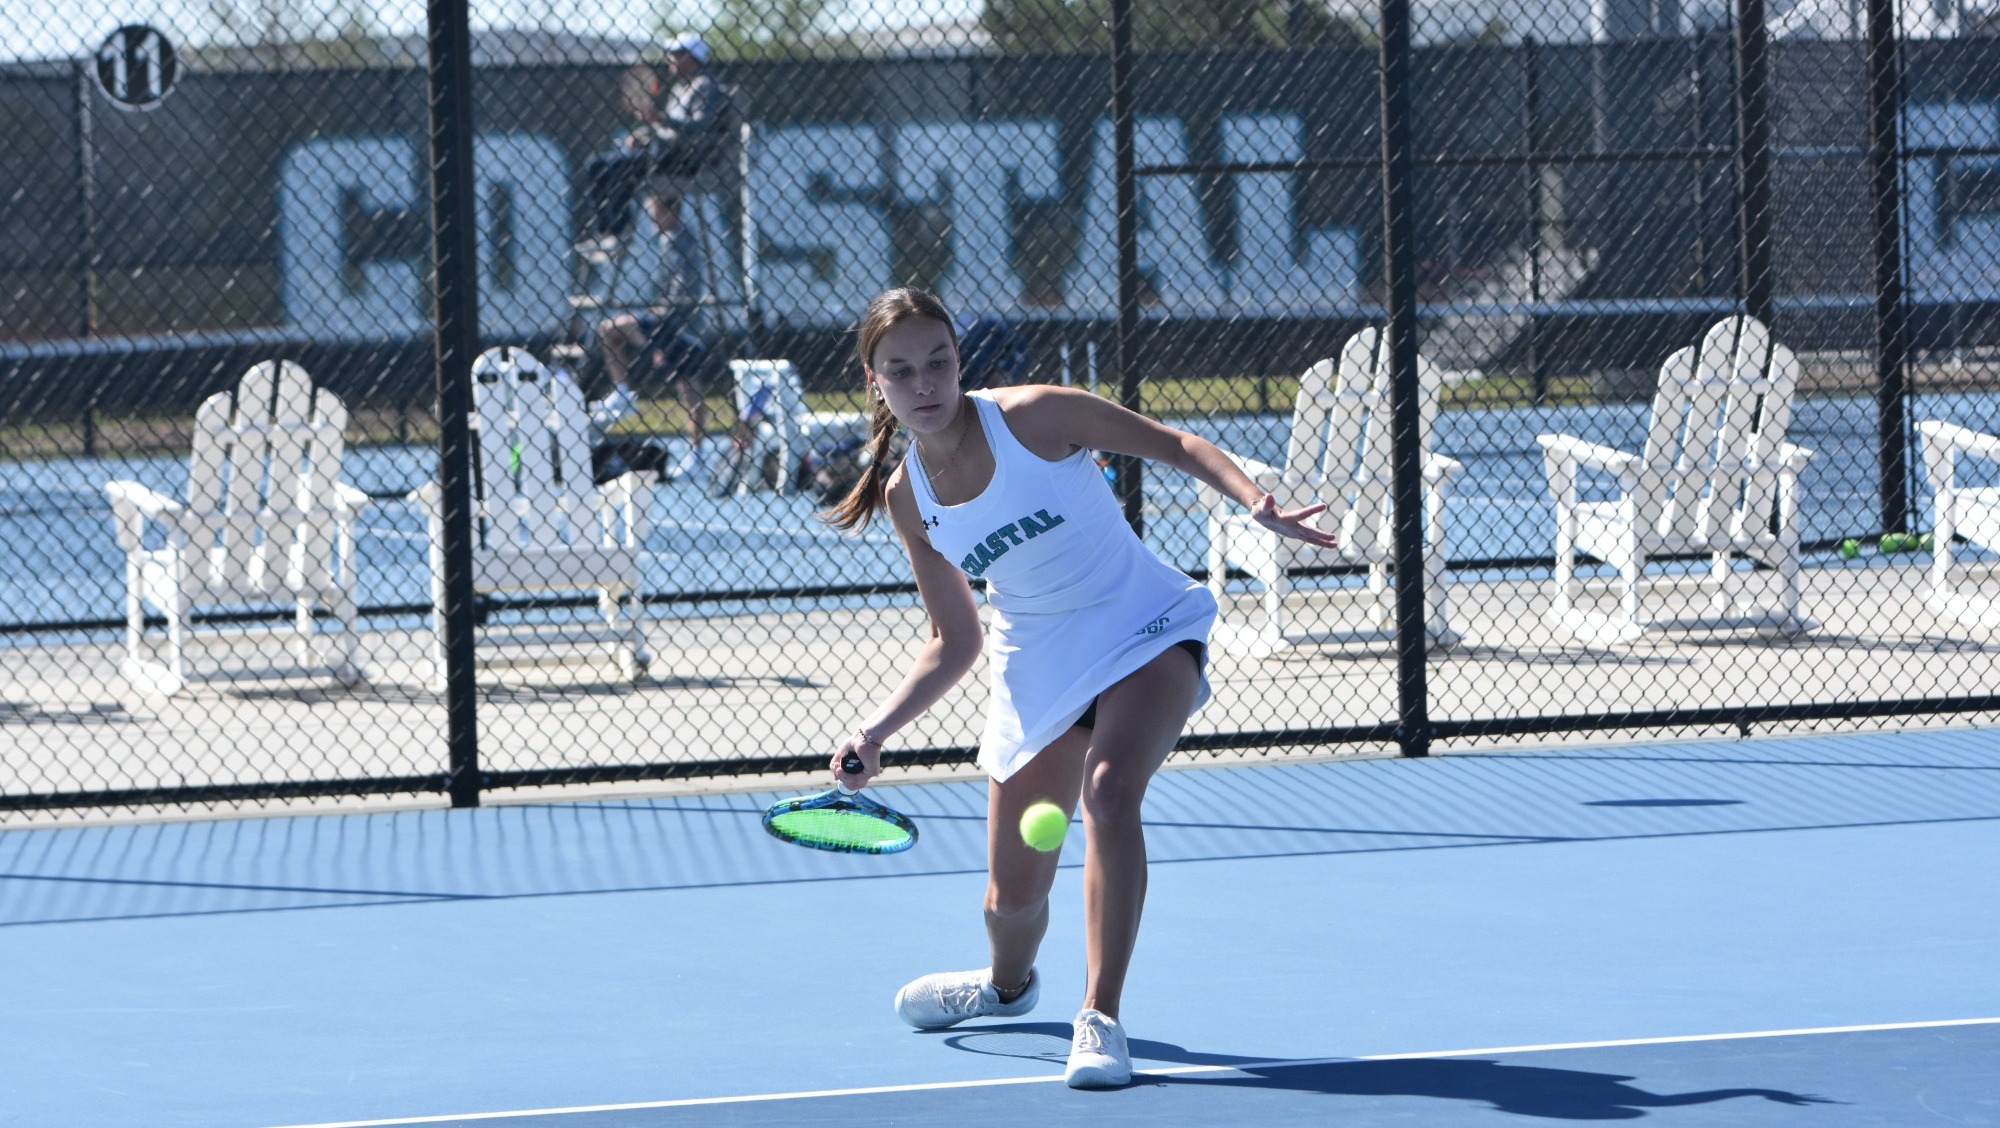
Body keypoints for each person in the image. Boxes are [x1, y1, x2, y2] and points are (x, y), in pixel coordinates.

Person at [821, 287, 1338, 1089]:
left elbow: (1176, 443)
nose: (924, 384)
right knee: (1010, 900)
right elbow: (954, 640)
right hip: (1038, 666)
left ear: (960, 364)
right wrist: (876, 730)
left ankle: (1100, 1016)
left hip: (1143, 625)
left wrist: (1253, 504)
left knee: (1107, 795)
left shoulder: (1037, 417)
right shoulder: (906, 498)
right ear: (873, 381)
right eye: (903, 371)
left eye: (938, 363)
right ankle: (1005, 989)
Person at [591, 192, 712, 482]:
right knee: (689, 388)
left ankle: (623, 394)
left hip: (679, 325)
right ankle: (697, 456)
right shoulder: (672, 238)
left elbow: (684, 287)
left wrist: (662, 321)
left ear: (672, 213)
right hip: (677, 324)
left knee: (610, 330)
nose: (653, 221)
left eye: (656, 213)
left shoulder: (679, 239)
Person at [576, 32, 724, 250]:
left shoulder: (705, 86)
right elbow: (668, 131)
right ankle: (605, 232)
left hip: (684, 161)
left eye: (676, 53)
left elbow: (700, 129)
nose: (670, 58)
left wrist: (662, 119)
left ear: (692, 57)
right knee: (597, 165)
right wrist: (646, 133)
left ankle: (618, 233)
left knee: (618, 166)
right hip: (664, 154)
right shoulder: (679, 88)